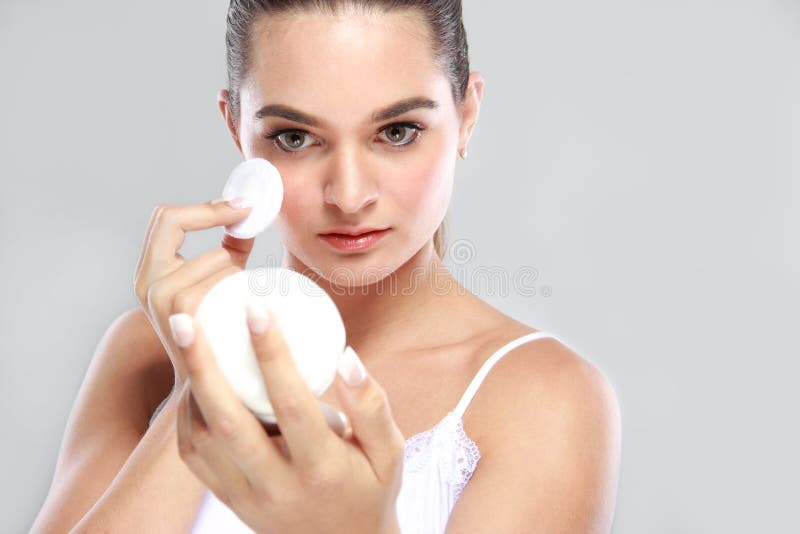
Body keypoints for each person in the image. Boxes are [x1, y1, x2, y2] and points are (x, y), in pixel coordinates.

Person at [31, 1, 621, 532]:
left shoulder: (542, 399)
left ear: (465, 115)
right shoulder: (150, 353)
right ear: (236, 126)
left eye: (397, 132)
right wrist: (204, 383)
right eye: (294, 138)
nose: (348, 194)